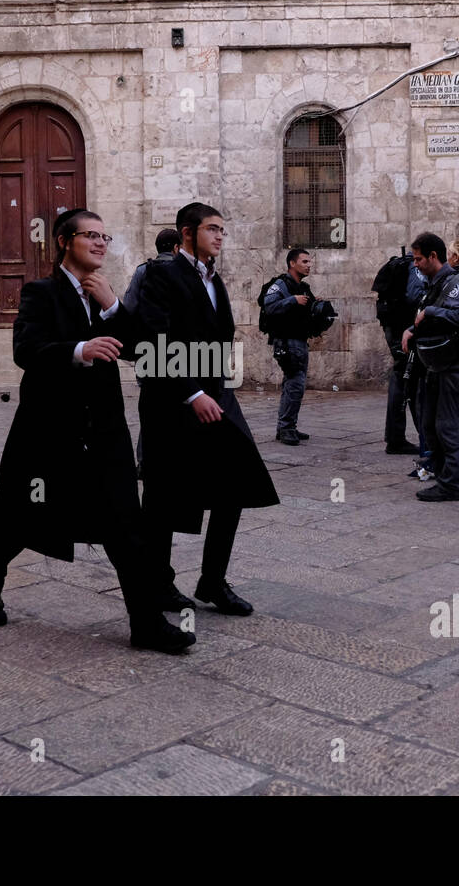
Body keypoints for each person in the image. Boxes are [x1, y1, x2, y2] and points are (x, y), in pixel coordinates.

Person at [0, 208, 193, 654]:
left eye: (105, 237)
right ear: (64, 242)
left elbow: (143, 350)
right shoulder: (40, 292)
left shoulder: (106, 297)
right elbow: (26, 350)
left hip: (105, 432)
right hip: (52, 431)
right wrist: (79, 350)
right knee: (22, 522)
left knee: (127, 527)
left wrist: (112, 305)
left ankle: (145, 624)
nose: (100, 243)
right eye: (90, 235)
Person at [136, 201, 280, 616]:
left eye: (222, 230)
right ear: (186, 233)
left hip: (216, 396)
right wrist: (191, 394)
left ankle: (212, 580)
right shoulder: (161, 274)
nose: (220, 236)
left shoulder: (213, 279)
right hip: (172, 403)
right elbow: (152, 341)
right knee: (163, 496)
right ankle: (158, 583)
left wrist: (218, 390)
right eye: (212, 229)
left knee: (234, 483)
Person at [402, 232, 459, 502]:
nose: (415, 264)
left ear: (433, 256)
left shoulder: (456, 283)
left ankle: (452, 484)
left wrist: (429, 313)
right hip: (435, 367)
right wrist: (412, 328)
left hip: (454, 367)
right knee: (430, 426)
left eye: (419, 259)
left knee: (449, 427)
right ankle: (446, 479)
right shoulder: (436, 284)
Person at [124, 227, 180, 472]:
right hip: (181, 350)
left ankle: (144, 462)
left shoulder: (142, 271)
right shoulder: (186, 272)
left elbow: (128, 307)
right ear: (177, 248)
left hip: (149, 350)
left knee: (150, 407)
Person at [373, 248, 427, 455]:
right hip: (401, 329)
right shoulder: (414, 268)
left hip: (392, 327)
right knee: (407, 379)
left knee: (403, 379)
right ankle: (407, 439)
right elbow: (415, 297)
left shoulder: (401, 265)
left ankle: (398, 437)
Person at [262, 249, 317, 445]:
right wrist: (292, 300)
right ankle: (286, 428)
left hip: (299, 340)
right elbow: (269, 307)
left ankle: (286, 426)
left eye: (309, 261)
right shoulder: (280, 285)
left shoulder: (301, 286)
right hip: (286, 341)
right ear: (292, 264)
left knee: (292, 384)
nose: (309, 265)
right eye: (304, 261)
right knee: (295, 384)